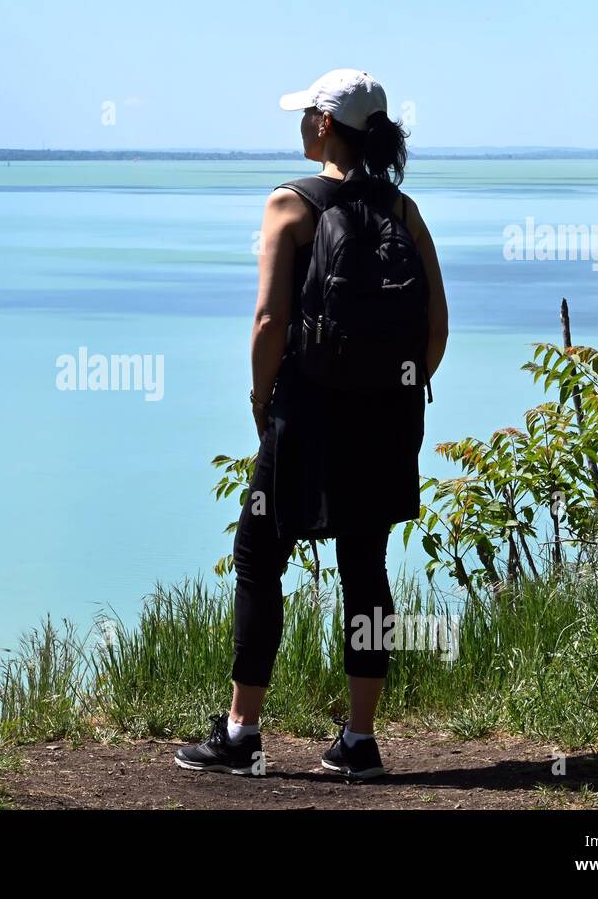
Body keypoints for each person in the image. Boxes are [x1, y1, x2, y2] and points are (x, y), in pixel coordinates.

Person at [174, 69, 449, 779]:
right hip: (386, 418)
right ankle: (360, 742)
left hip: (307, 411)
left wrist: (262, 399)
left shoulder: (290, 204)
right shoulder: (402, 209)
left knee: (259, 558)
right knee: (368, 567)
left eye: (305, 115)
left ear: (325, 125)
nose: (298, 124)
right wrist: (398, 388)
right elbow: (438, 325)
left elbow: (269, 321)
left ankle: (242, 733)